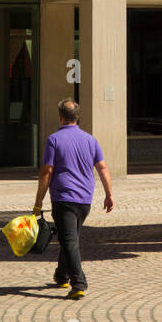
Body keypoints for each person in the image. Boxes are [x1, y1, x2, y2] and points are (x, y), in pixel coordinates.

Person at [33, 99, 113, 300]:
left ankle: (79, 283)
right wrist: (109, 194)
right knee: (69, 238)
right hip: (84, 199)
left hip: (63, 198)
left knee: (69, 240)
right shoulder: (90, 140)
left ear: (60, 117)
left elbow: (46, 171)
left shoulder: (54, 140)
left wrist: (38, 202)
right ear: (77, 117)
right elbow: (102, 167)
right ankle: (61, 276)